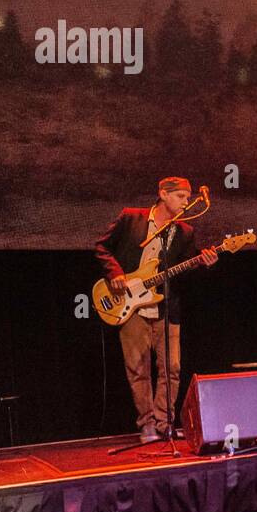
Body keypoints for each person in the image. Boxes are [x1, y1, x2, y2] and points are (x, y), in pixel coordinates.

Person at [96, 177, 217, 443]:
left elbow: (182, 274)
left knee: (172, 367)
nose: (186, 202)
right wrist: (116, 274)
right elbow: (102, 247)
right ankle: (147, 424)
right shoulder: (131, 218)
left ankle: (164, 422)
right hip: (130, 304)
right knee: (138, 367)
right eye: (181, 197)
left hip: (165, 306)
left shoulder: (185, 232)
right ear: (163, 194)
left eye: (188, 197)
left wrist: (203, 263)